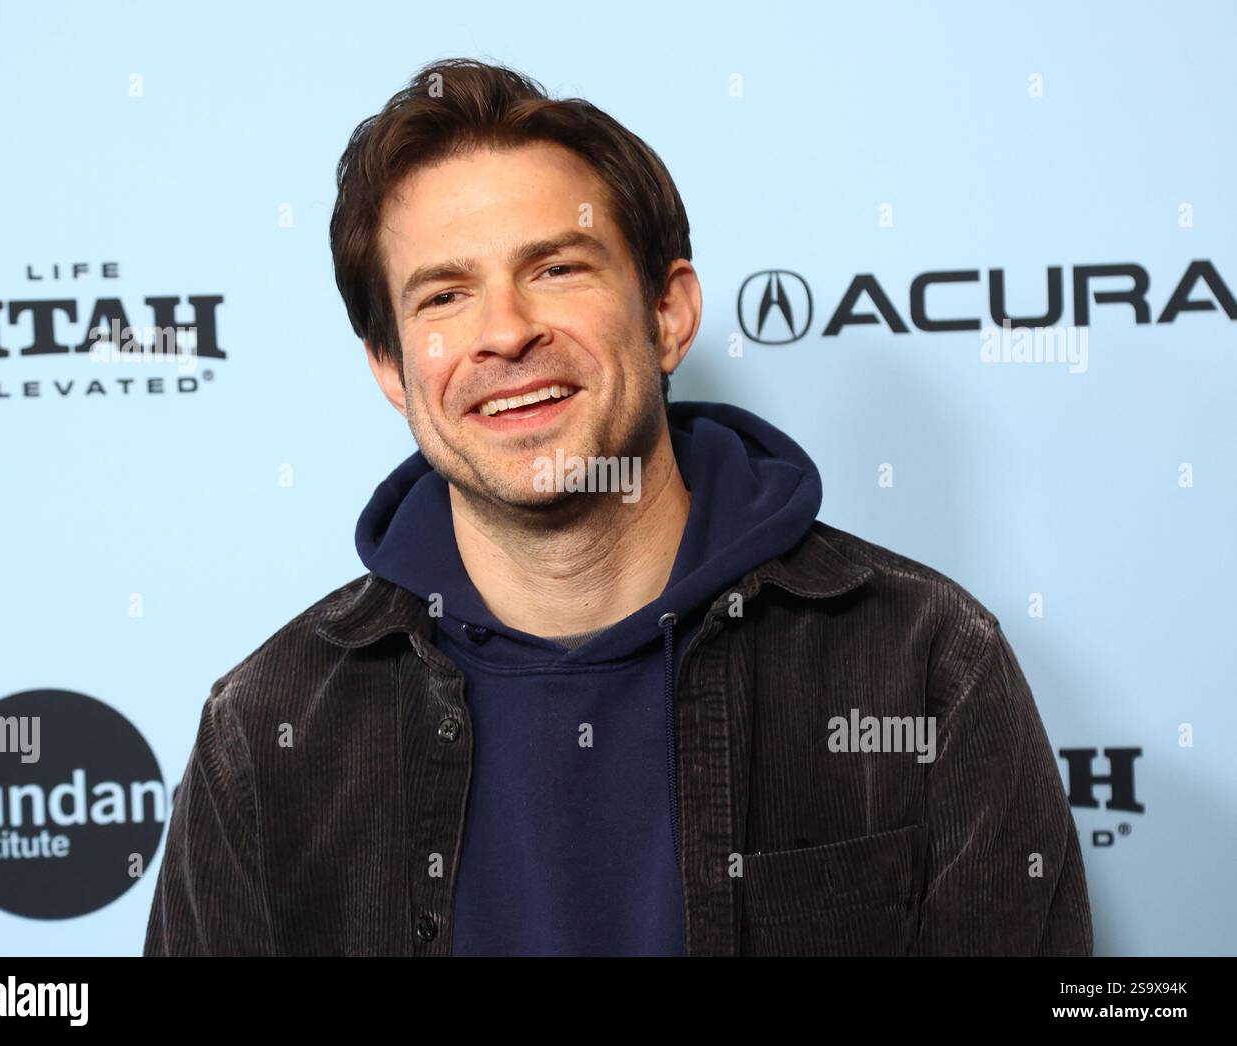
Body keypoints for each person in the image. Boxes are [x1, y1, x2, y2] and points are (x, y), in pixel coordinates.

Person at [143, 57, 1093, 957]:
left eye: (557, 268)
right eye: (444, 294)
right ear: (392, 368)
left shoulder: (924, 662)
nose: (506, 331)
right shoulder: (268, 731)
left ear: (670, 313)